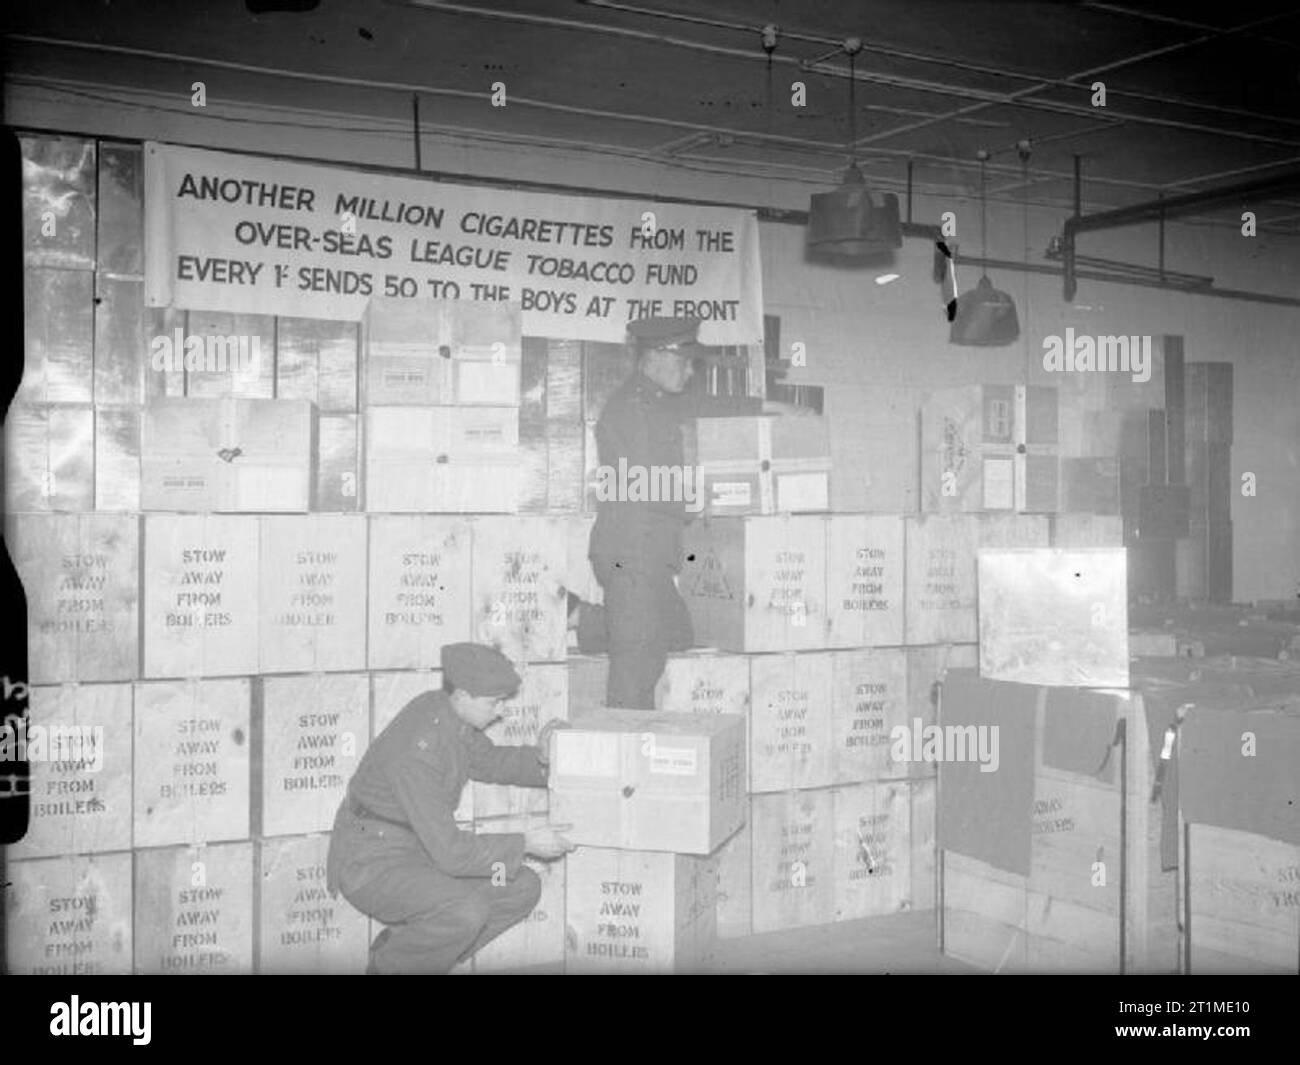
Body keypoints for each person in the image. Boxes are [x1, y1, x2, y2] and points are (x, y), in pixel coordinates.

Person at [326, 642, 573, 974]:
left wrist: (545, 760)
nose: (501, 711)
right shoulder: (418, 749)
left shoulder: (450, 718)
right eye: (494, 702)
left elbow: (490, 761)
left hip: (421, 856)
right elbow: (451, 854)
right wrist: (525, 843)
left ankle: (411, 952)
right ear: (463, 694)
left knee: (517, 885)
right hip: (373, 864)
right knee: (464, 909)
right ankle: (390, 966)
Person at [587, 315, 699, 709]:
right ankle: (628, 763)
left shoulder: (653, 403)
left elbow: (708, 404)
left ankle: (589, 621)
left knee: (670, 638)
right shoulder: (634, 409)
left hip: (645, 556)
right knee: (634, 679)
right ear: (654, 357)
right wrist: (701, 499)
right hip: (633, 556)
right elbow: (641, 483)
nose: (690, 369)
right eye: (684, 360)